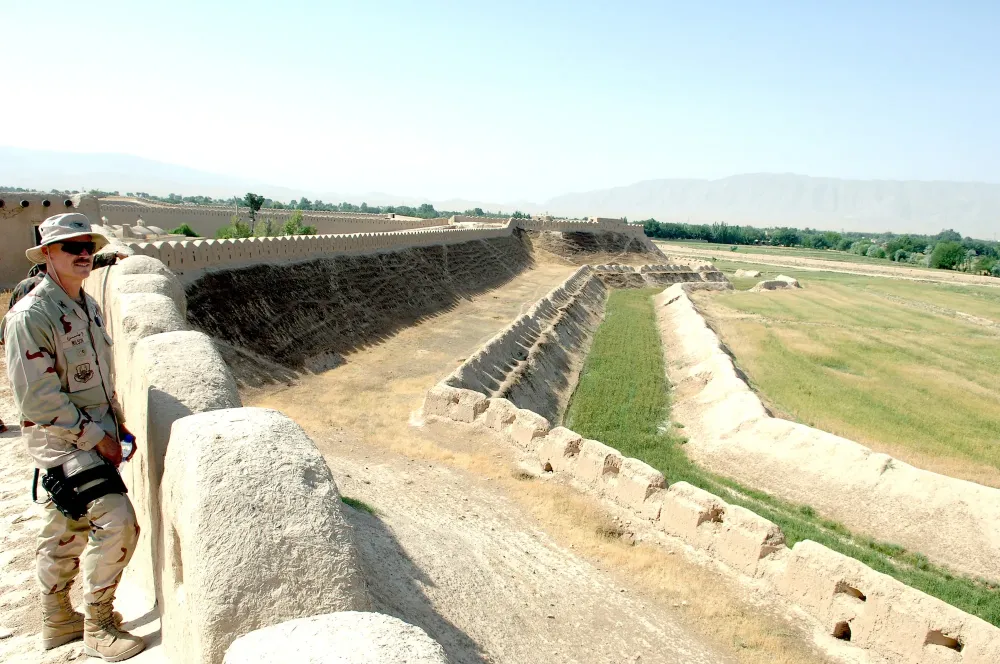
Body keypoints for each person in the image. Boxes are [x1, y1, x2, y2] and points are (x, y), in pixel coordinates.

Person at [1, 213, 144, 661]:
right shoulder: (32, 315)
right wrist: (95, 437)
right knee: (118, 522)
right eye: (71, 247)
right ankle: (98, 623)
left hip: (94, 432)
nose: (83, 254)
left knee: (65, 526)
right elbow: (38, 400)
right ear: (47, 255)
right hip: (65, 442)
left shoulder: (85, 305)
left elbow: (98, 376)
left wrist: (116, 423)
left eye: (88, 246)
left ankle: (57, 620)